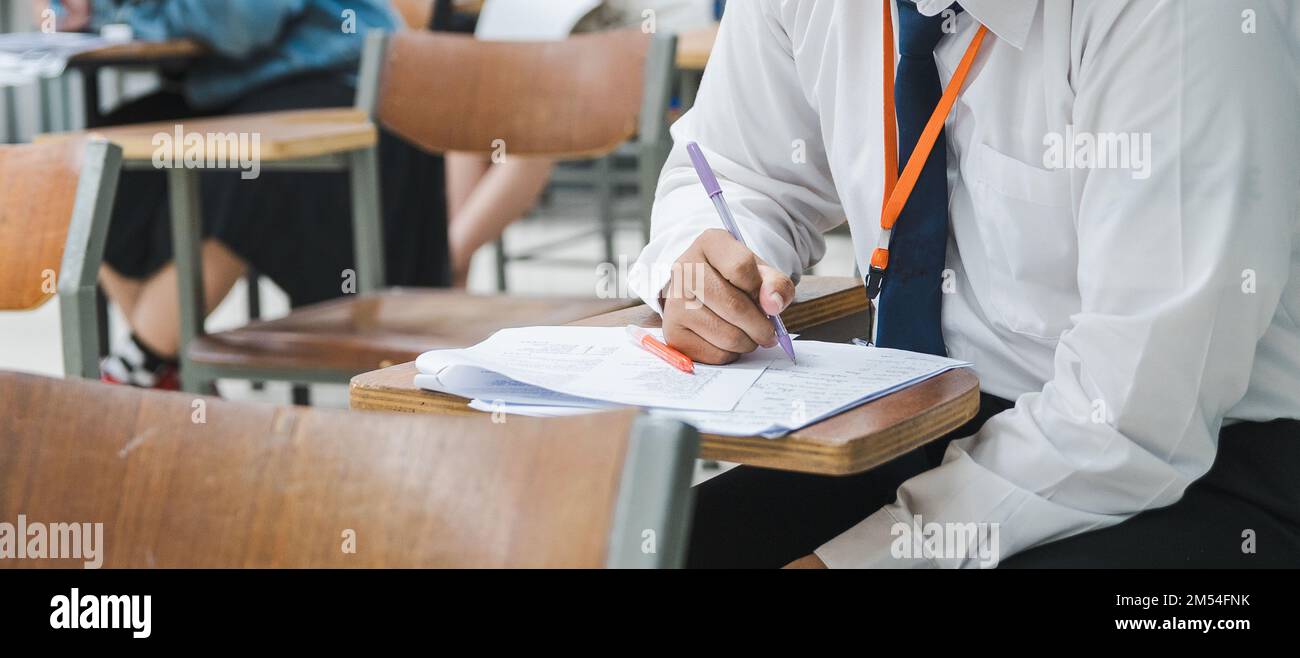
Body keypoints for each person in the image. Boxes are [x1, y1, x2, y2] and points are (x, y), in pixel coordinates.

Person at [630, 0, 1300, 567]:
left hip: (1197, 466)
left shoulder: (1174, 19)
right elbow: (736, 170)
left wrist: (851, 562)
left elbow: (1138, 416)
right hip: (914, 421)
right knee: (642, 550)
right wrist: (708, 269)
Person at [45, 0, 449, 388]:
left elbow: (240, 21)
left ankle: (144, 362)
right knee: (90, 156)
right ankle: (161, 363)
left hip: (351, 91)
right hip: (243, 88)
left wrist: (126, 13)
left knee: (244, 169)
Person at [445, 0, 714, 287]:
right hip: (554, 57)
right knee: (468, 130)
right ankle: (449, 276)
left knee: (533, 138)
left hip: (628, 62)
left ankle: (442, 265)